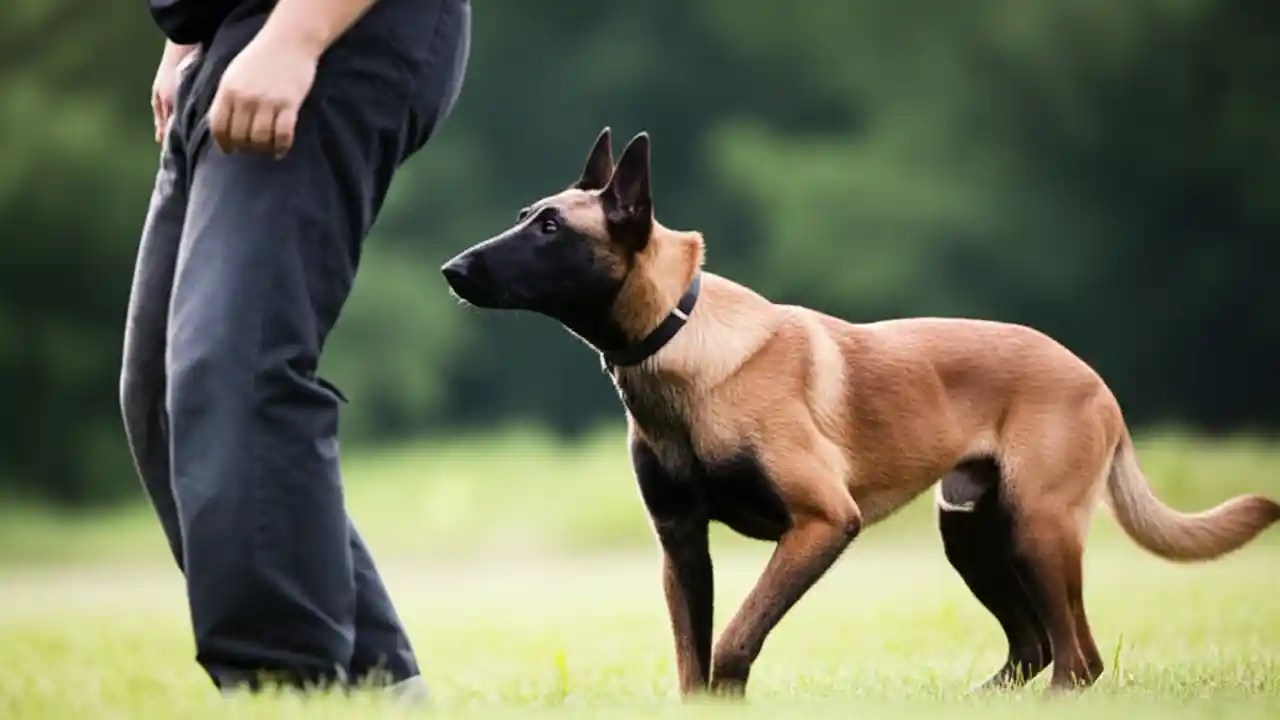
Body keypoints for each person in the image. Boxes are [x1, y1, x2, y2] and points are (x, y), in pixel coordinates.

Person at [120, 0, 470, 696]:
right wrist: (185, 40)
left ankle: (288, 686)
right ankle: (381, 695)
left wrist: (296, 33)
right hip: (230, 38)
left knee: (235, 375)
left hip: (322, 26)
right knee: (164, 395)